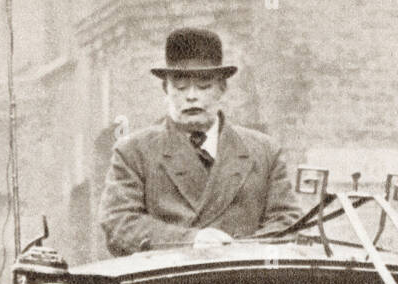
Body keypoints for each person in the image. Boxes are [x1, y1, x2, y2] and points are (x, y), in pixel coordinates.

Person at [99, 28, 301, 256]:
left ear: (222, 88)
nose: (192, 96)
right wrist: (190, 240)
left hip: (245, 282)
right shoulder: (134, 152)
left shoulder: (264, 151)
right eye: (180, 87)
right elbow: (118, 222)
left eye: (204, 86)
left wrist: (238, 251)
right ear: (165, 89)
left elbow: (288, 222)